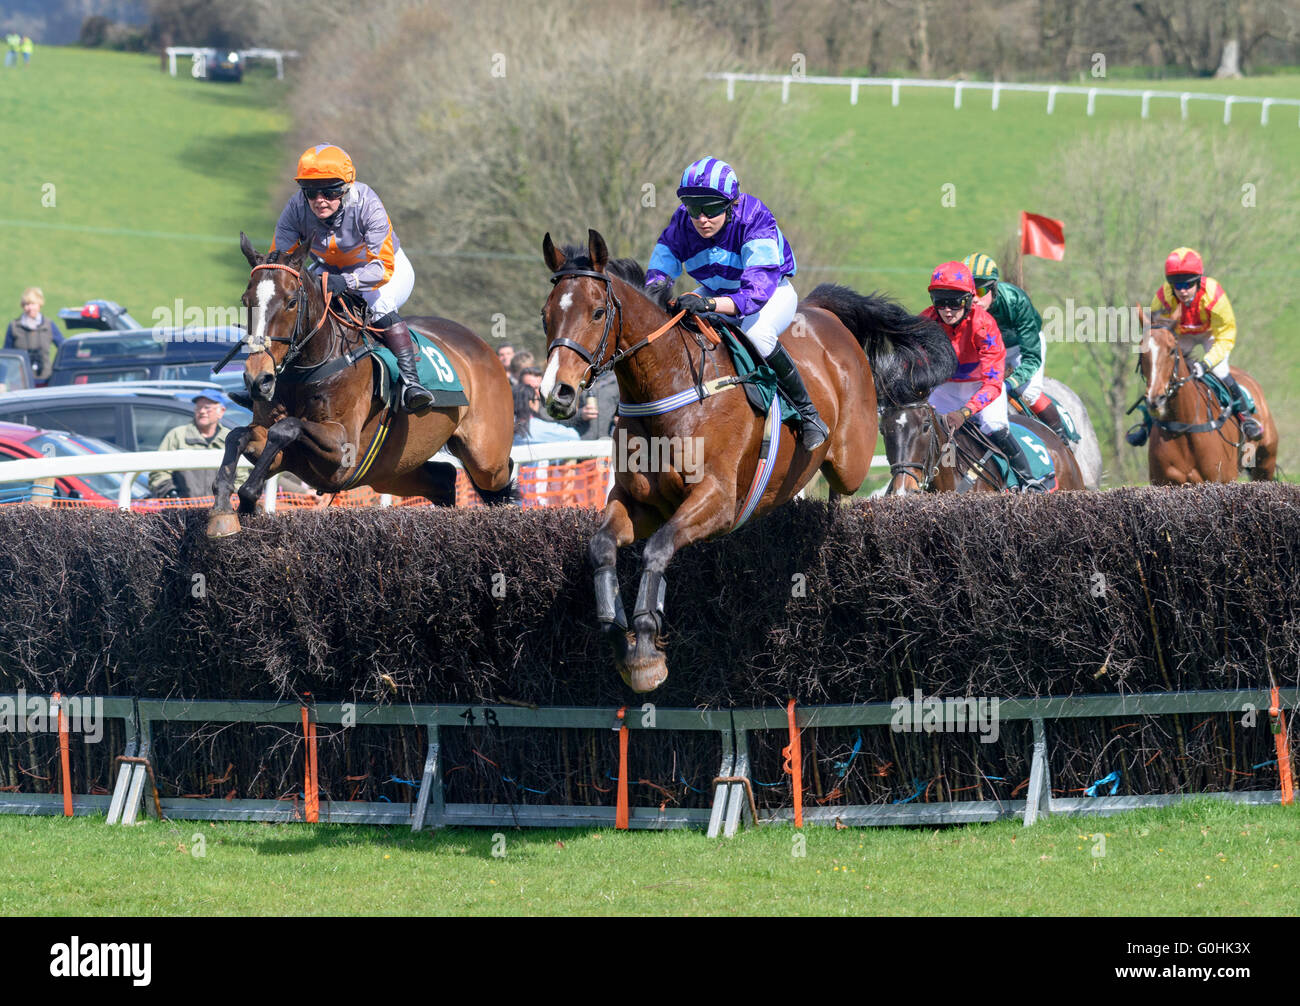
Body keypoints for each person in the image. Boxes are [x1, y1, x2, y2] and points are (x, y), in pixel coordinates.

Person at [644, 156, 827, 450]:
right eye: (694, 208)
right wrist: (656, 291)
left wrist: (709, 305)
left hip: (769, 294)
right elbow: (660, 268)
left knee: (757, 335)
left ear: (731, 204)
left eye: (712, 208)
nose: (702, 218)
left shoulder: (755, 217)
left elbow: (754, 295)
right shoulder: (682, 222)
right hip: (714, 289)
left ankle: (809, 414)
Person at [259, 143, 433, 413]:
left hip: (384, 269)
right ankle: (271, 381)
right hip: (328, 267)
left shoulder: (367, 204)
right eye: (311, 192)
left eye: (329, 191)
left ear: (345, 188)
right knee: (292, 305)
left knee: (379, 306)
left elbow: (382, 267)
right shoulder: (295, 209)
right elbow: (279, 261)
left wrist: (348, 282)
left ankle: (412, 383)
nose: (319, 200)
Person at [921, 261, 1042, 492]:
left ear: (968, 300)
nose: (947, 310)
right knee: (919, 427)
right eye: (940, 301)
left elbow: (993, 382)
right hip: (944, 388)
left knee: (994, 425)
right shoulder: (925, 323)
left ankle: (1029, 481)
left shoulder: (984, 325)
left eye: (955, 303)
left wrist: (965, 412)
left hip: (981, 387)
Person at [1127, 246, 1262, 445]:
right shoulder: (1162, 298)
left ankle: (1245, 417)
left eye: (1188, 284)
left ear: (1198, 281)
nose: (1182, 290)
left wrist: (1206, 364)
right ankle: (1147, 423)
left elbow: (1225, 336)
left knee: (1221, 369)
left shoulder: (1214, 296)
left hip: (1211, 334)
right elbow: (1158, 333)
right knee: (1161, 371)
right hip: (1182, 334)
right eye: (1176, 284)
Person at [962, 253, 1071, 443]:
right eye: (969, 293)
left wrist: (1009, 383)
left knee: (1028, 393)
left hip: (1022, 346)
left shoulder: (1015, 300)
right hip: (989, 351)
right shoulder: (960, 308)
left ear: (993, 288)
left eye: (980, 292)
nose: (974, 300)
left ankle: (1061, 438)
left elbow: (1032, 359)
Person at [149, 393, 231, 498]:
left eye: (207, 408)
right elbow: (158, 471)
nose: (202, 411)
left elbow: (242, 474)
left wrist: (233, 496)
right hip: (183, 509)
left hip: (222, 510)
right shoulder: (177, 436)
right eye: (198, 407)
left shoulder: (229, 438)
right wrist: (170, 493)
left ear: (221, 412)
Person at [5, 287, 65, 381]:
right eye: (26, 304)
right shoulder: (14, 327)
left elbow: (63, 347)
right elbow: (6, 356)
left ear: (39, 304)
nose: (29, 308)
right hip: (19, 381)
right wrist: (1, 380)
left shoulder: (49, 325)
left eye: (32, 304)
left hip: (45, 380)